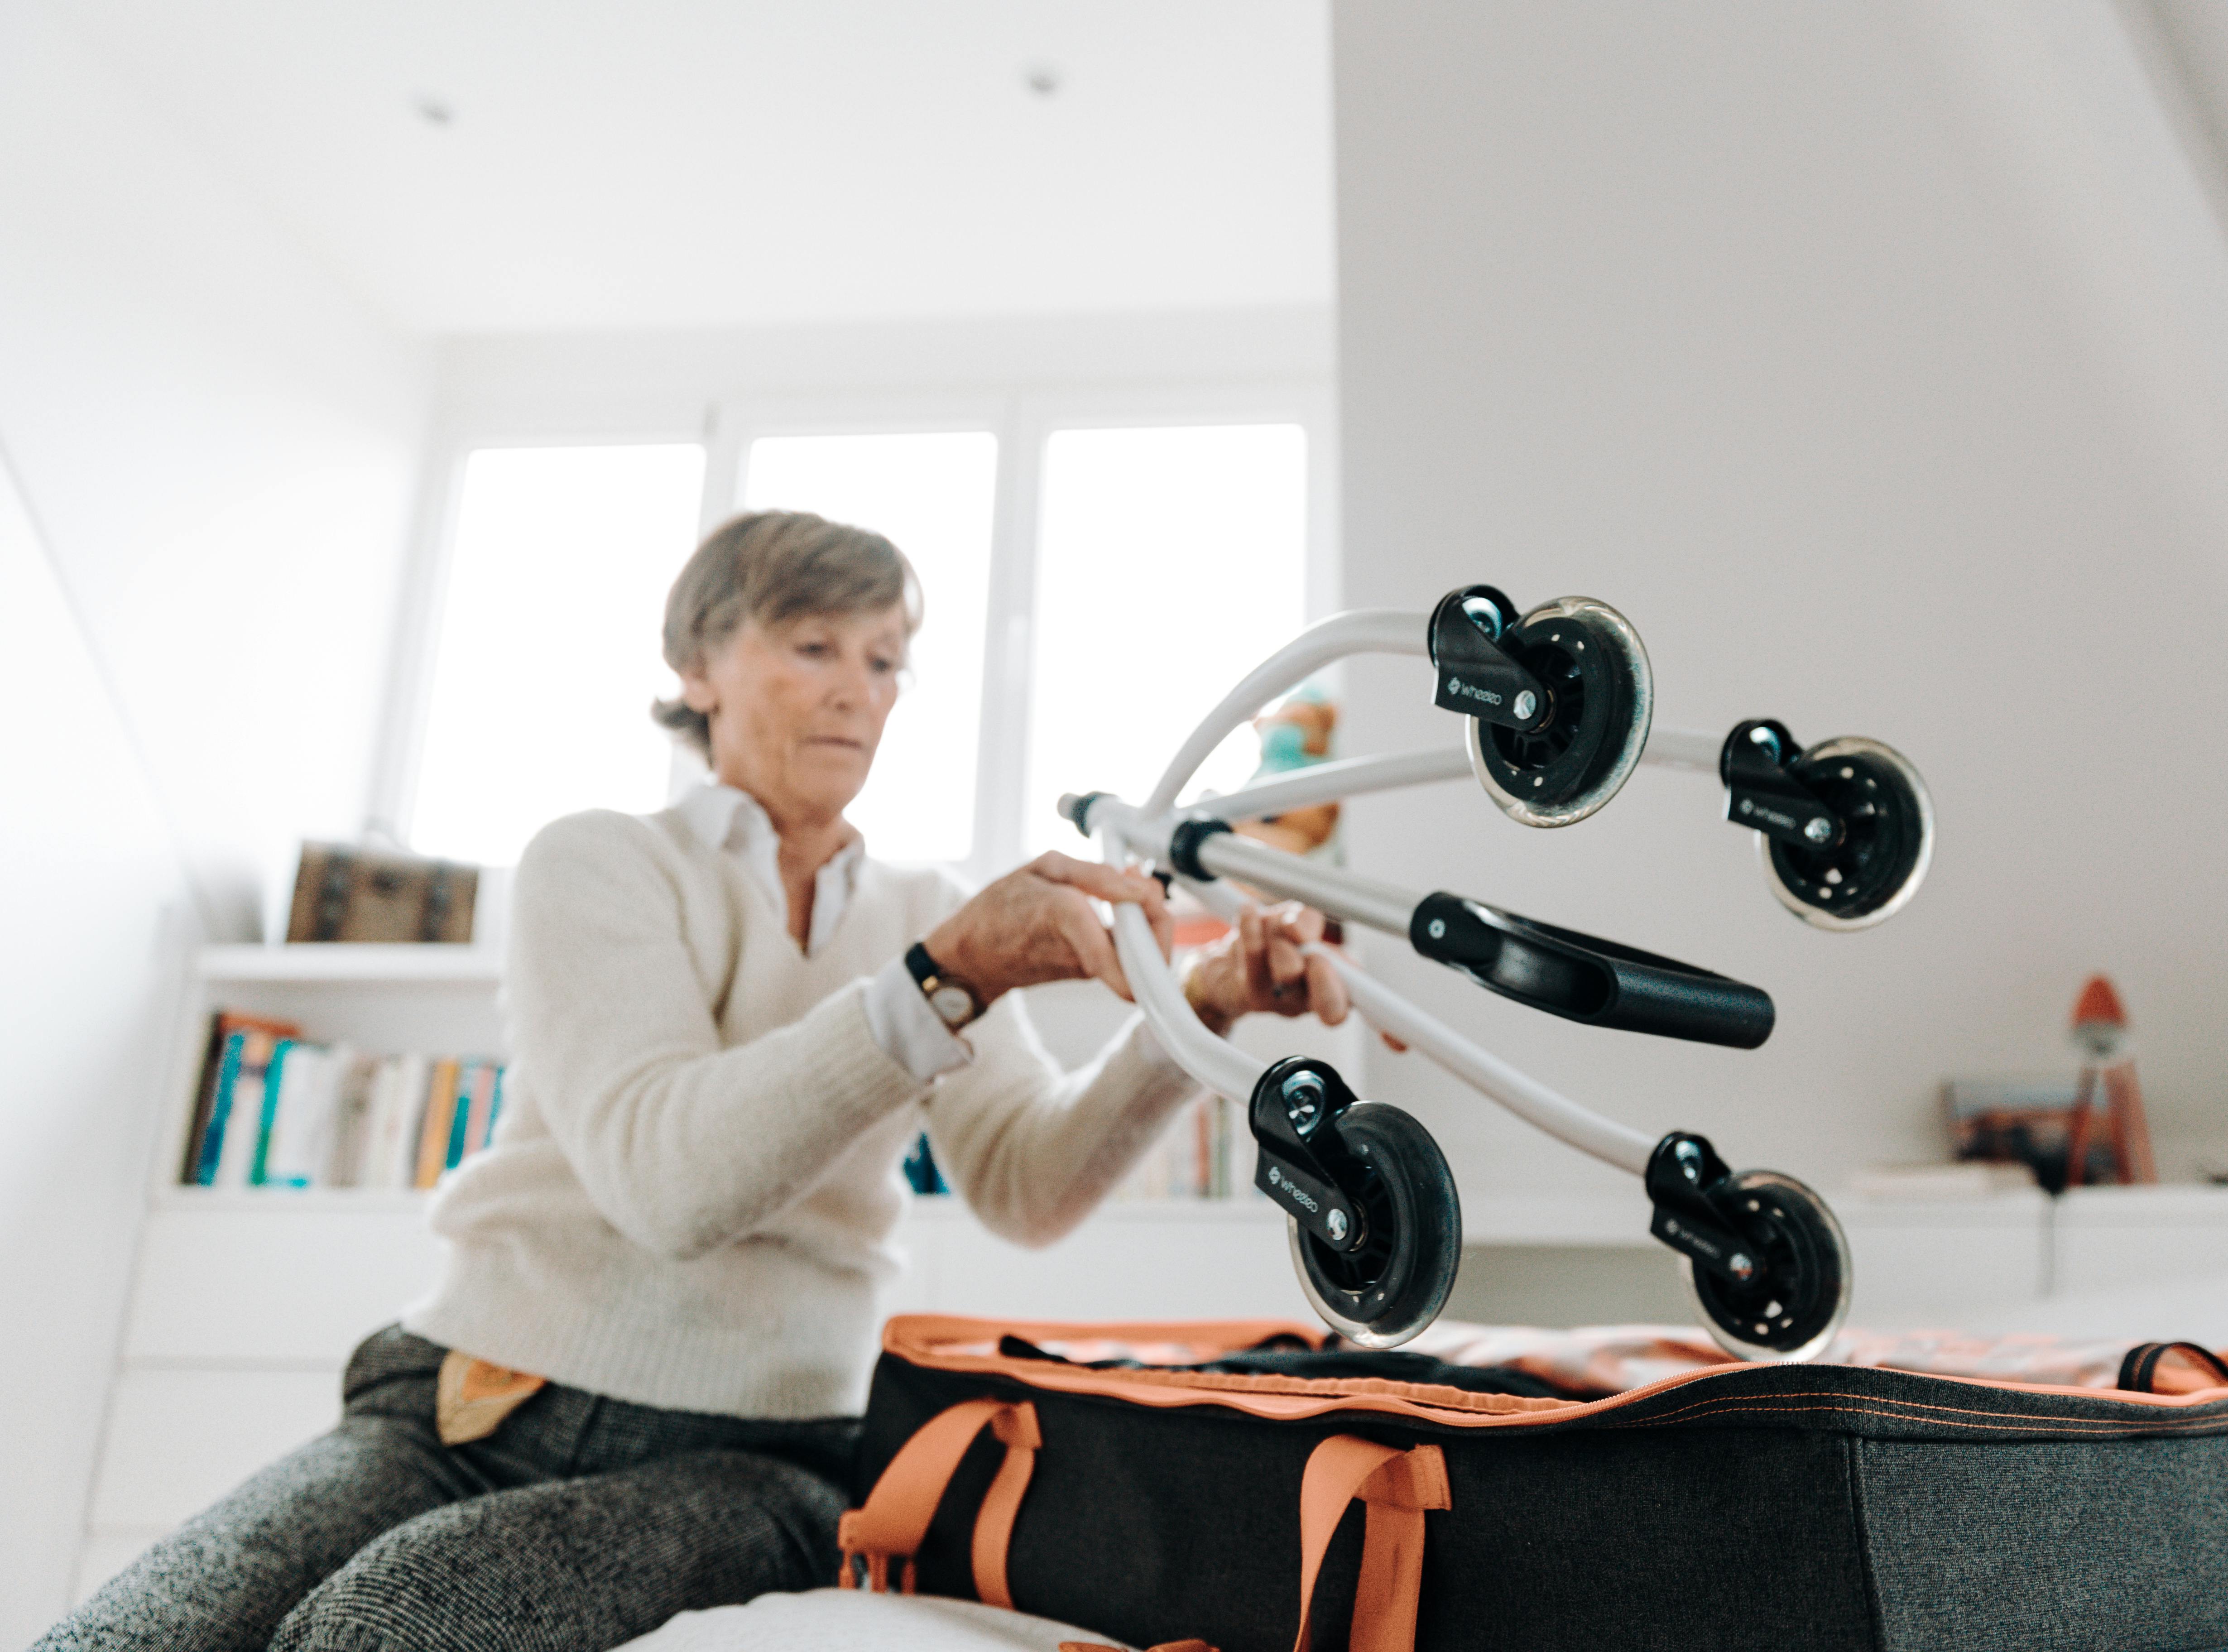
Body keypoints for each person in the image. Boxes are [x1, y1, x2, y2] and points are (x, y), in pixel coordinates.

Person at [42, 511, 1358, 1652]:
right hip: (463, 1400)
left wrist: (1197, 1011)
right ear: (698, 666)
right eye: (814, 646)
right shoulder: (601, 864)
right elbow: (669, 1183)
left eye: (888, 661)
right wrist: (941, 980)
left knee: (383, 1631)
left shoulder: (918, 910)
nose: (862, 692)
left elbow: (1026, 1185)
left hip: (762, 1449)